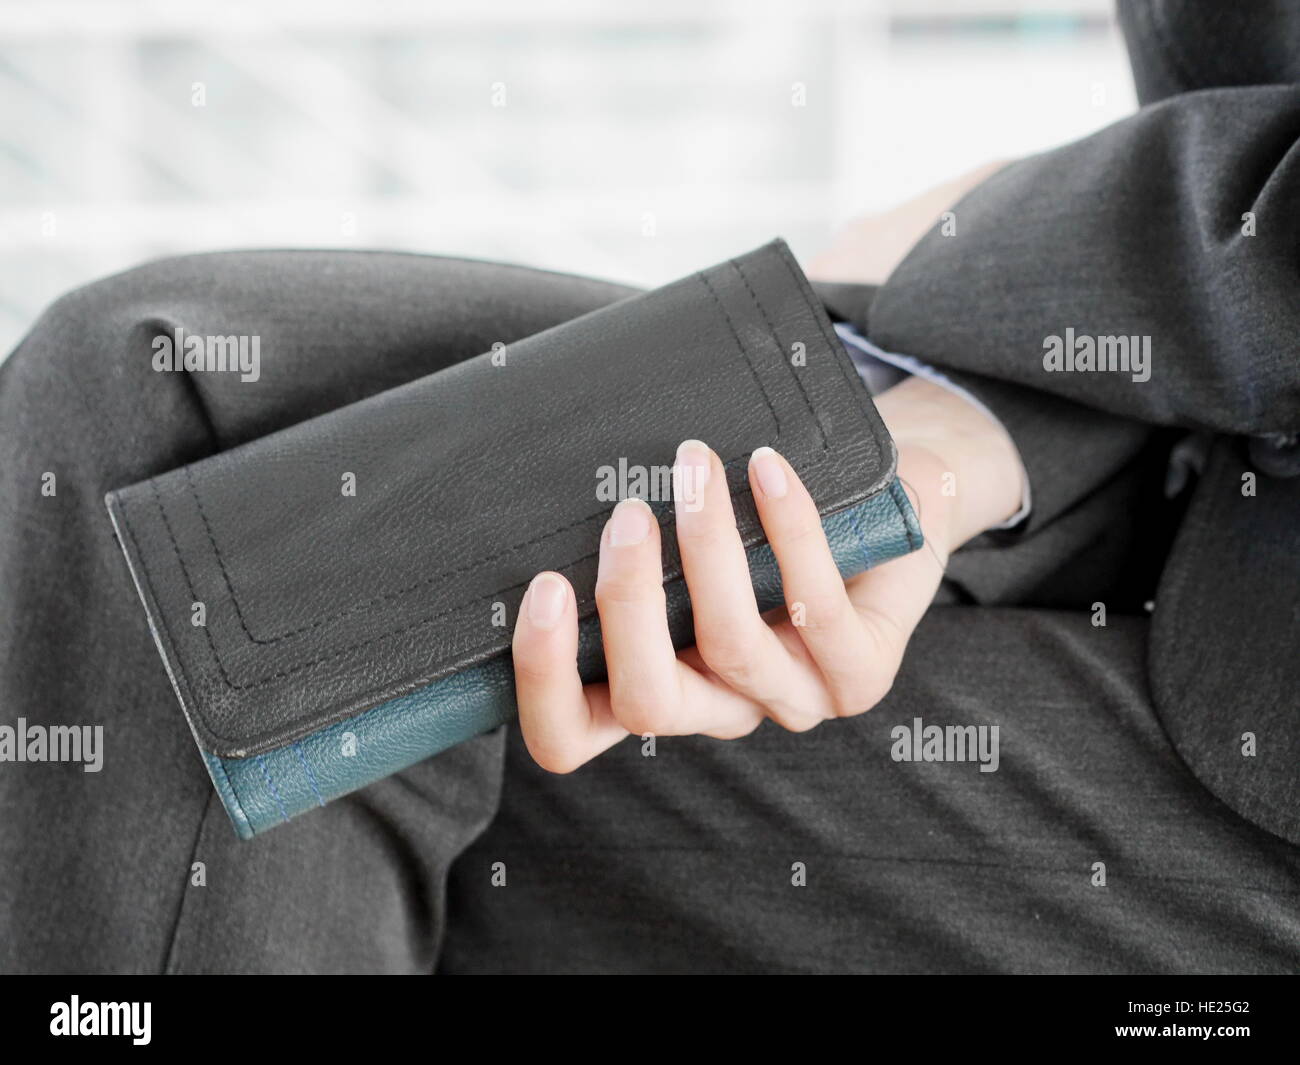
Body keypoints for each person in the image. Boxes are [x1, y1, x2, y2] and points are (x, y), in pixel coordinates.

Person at [1, 1, 1296, 973]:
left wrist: (973, 262)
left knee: (216, 620)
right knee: (153, 394)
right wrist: (962, 443)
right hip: (1178, 443)